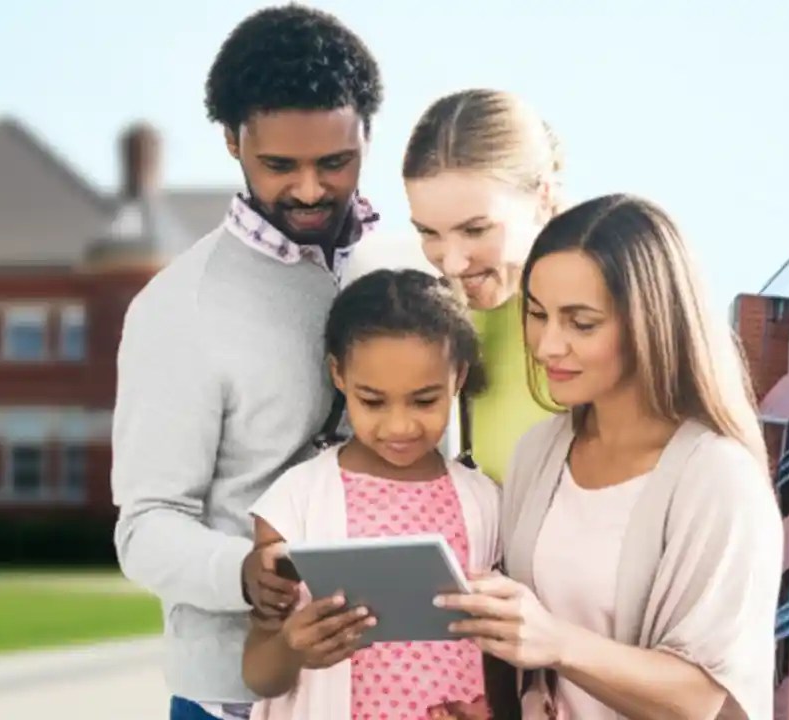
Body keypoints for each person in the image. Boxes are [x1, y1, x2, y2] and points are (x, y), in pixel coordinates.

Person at [109, 6, 383, 719]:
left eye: (335, 162)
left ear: (367, 137)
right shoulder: (177, 309)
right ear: (231, 142)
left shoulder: (403, 266)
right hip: (233, 698)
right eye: (278, 165)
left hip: (389, 684)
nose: (309, 189)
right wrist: (240, 572)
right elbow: (144, 526)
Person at [436, 195, 781, 720]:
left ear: (650, 323)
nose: (549, 345)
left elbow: (702, 699)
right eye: (537, 314)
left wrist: (556, 643)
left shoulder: (718, 477)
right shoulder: (540, 452)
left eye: (582, 322)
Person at [242, 269, 500, 720]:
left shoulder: (486, 502)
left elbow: (500, 653)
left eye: (424, 401)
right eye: (373, 401)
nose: (399, 426)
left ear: (457, 376)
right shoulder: (295, 501)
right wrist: (291, 647)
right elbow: (260, 674)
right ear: (339, 375)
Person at [402, 89, 563, 483]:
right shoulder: (447, 319)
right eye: (429, 233)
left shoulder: (624, 310)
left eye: (476, 230)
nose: (453, 264)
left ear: (543, 198)